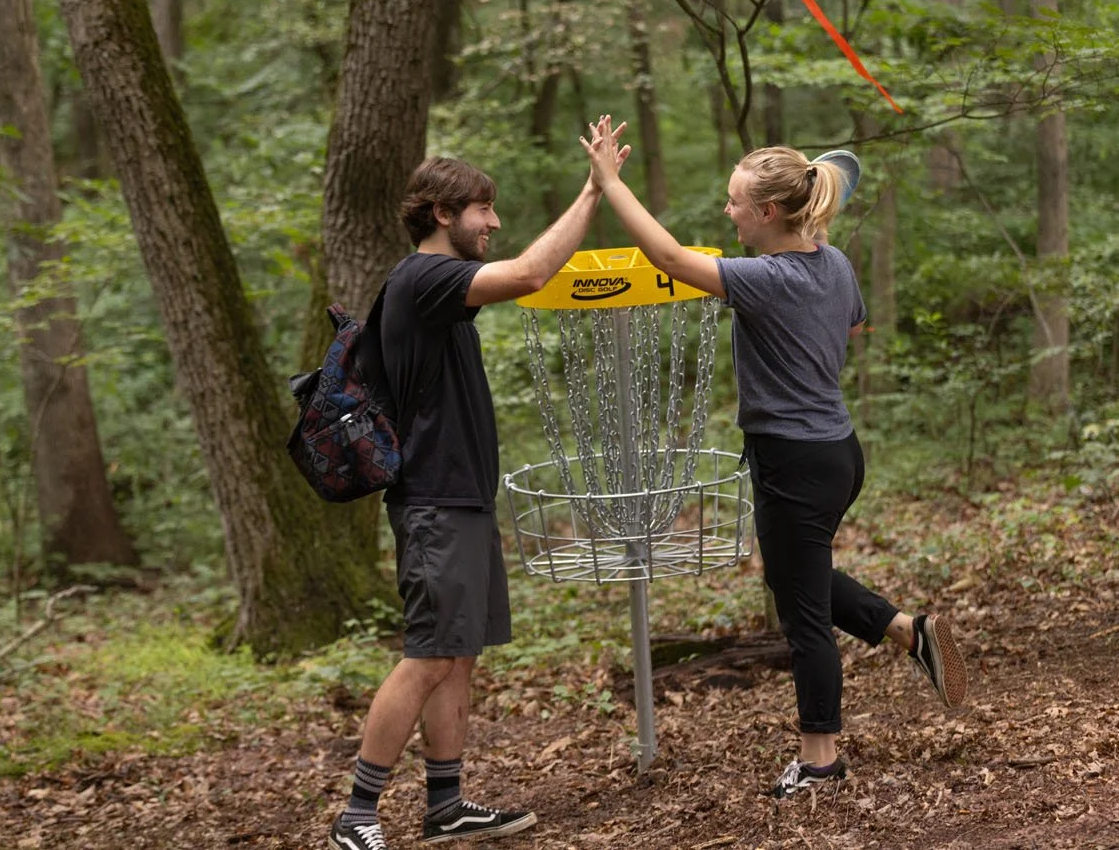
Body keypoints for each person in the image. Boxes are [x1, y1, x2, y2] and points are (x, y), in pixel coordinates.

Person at [578, 116, 967, 800]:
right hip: (838, 454)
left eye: (734, 202)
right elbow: (849, 323)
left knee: (802, 614)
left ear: (766, 211)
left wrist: (610, 183)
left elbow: (668, 257)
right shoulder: (834, 263)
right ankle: (910, 632)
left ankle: (820, 759)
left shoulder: (768, 277)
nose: (725, 211)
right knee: (800, 577)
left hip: (792, 459)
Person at [328, 146, 624, 850]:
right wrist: (594, 190)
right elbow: (530, 272)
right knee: (430, 652)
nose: (493, 221)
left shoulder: (439, 286)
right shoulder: (423, 276)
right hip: (433, 500)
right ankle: (357, 814)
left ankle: (446, 803)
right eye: (482, 208)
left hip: (459, 498)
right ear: (442, 214)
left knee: (458, 652)